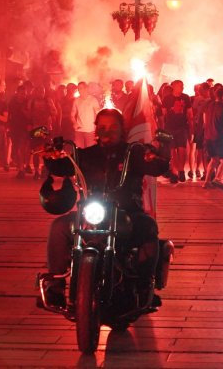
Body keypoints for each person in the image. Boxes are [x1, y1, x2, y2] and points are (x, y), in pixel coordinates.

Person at [41, 109, 169, 307]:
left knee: (148, 226)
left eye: (112, 127)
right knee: (59, 226)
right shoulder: (85, 155)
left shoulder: (133, 152)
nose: (107, 131)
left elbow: (155, 168)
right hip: (91, 213)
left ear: (121, 129)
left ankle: (145, 286)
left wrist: (158, 157)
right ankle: (55, 285)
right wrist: (51, 157)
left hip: (127, 212)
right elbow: (63, 167)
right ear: (96, 130)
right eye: (102, 127)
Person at [161, 80, 192, 183]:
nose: (182, 88)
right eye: (179, 86)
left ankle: (181, 170)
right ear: (173, 87)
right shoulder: (167, 98)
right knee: (173, 150)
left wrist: (191, 126)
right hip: (170, 127)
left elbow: (189, 113)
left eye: (182, 86)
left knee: (182, 149)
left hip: (182, 127)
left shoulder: (186, 98)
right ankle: (174, 172)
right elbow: (163, 114)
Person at [202, 86, 223, 191]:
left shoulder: (208, 106)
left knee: (213, 159)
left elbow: (204, 121)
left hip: (208, 136)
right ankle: (217, 178)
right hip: (220, 136)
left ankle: (206, 182)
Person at [71, 82, 102, 149]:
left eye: (81, 88)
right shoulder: (76, 100)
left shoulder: (93, 100)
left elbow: (98, 115)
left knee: (90, 151)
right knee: (79, 151)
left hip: (90, 131)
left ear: (86, 88)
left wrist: (97, 128)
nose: (79, 90)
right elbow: (72, 115)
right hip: (79, 131)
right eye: (78, 89)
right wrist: (75, 123)